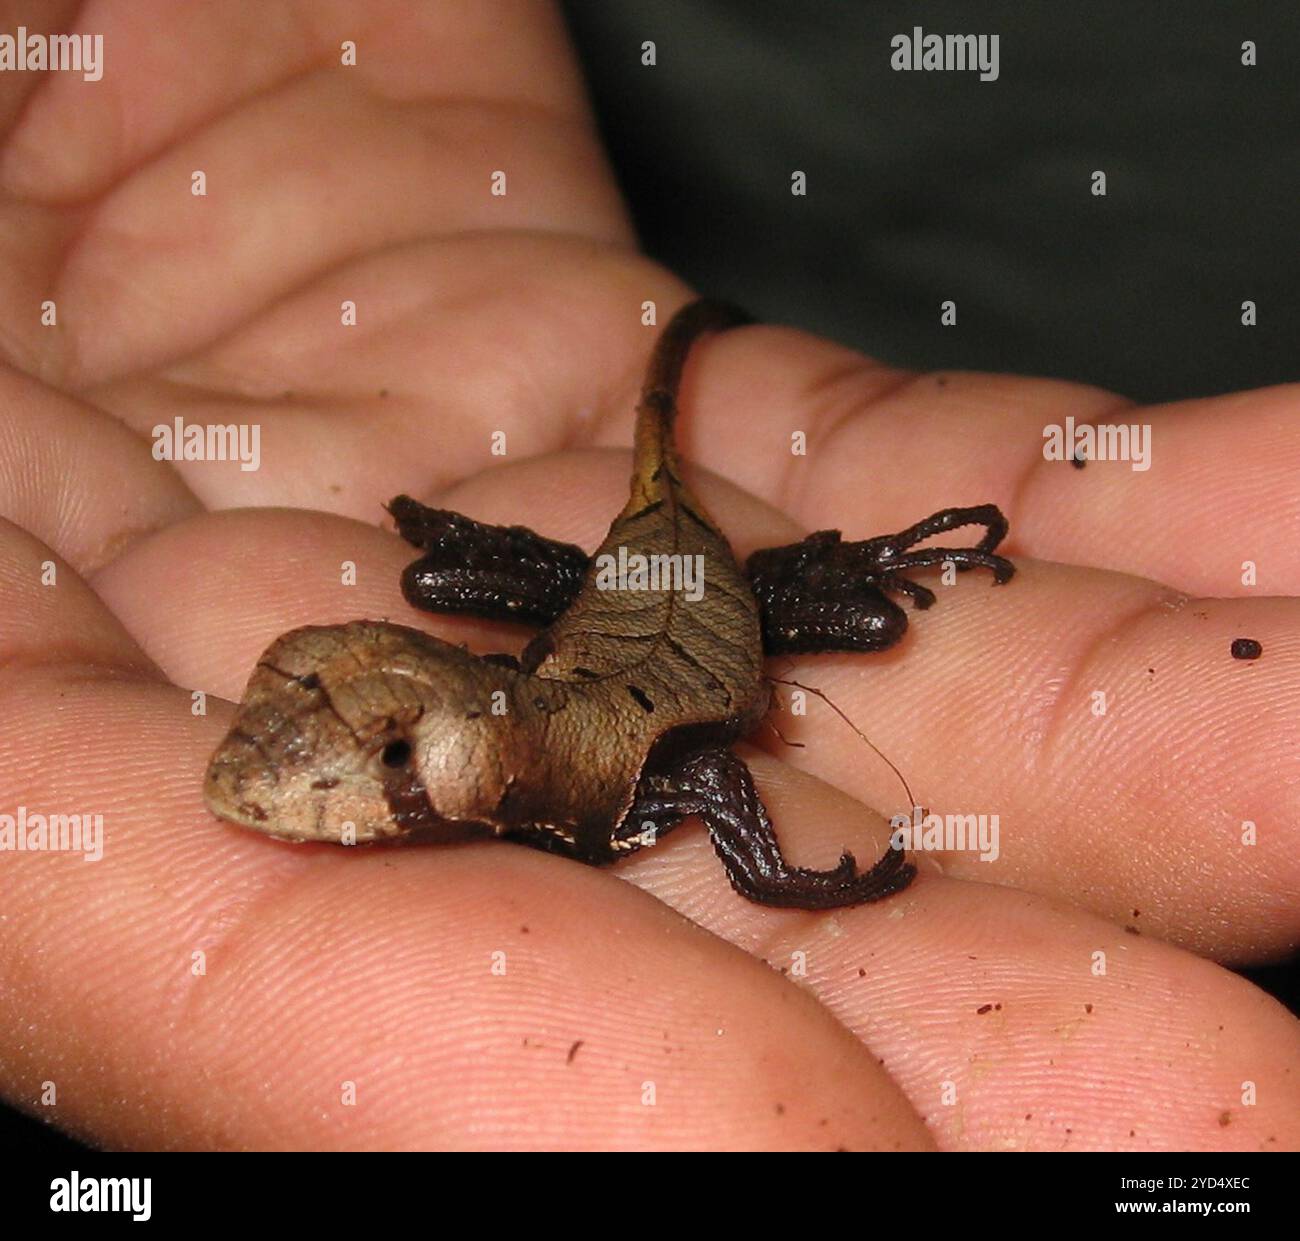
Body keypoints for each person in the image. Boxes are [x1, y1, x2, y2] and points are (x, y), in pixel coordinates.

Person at [0, 2, 1295, 1151]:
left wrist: (768, 873)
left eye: (390, 763)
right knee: (458, 587)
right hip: (603, 600)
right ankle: (530, 528)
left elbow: (718, 765)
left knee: (857, 617)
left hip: (686, 619)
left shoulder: (615, 792)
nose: (329, 772)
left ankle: (849, 541)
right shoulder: (516, 747)